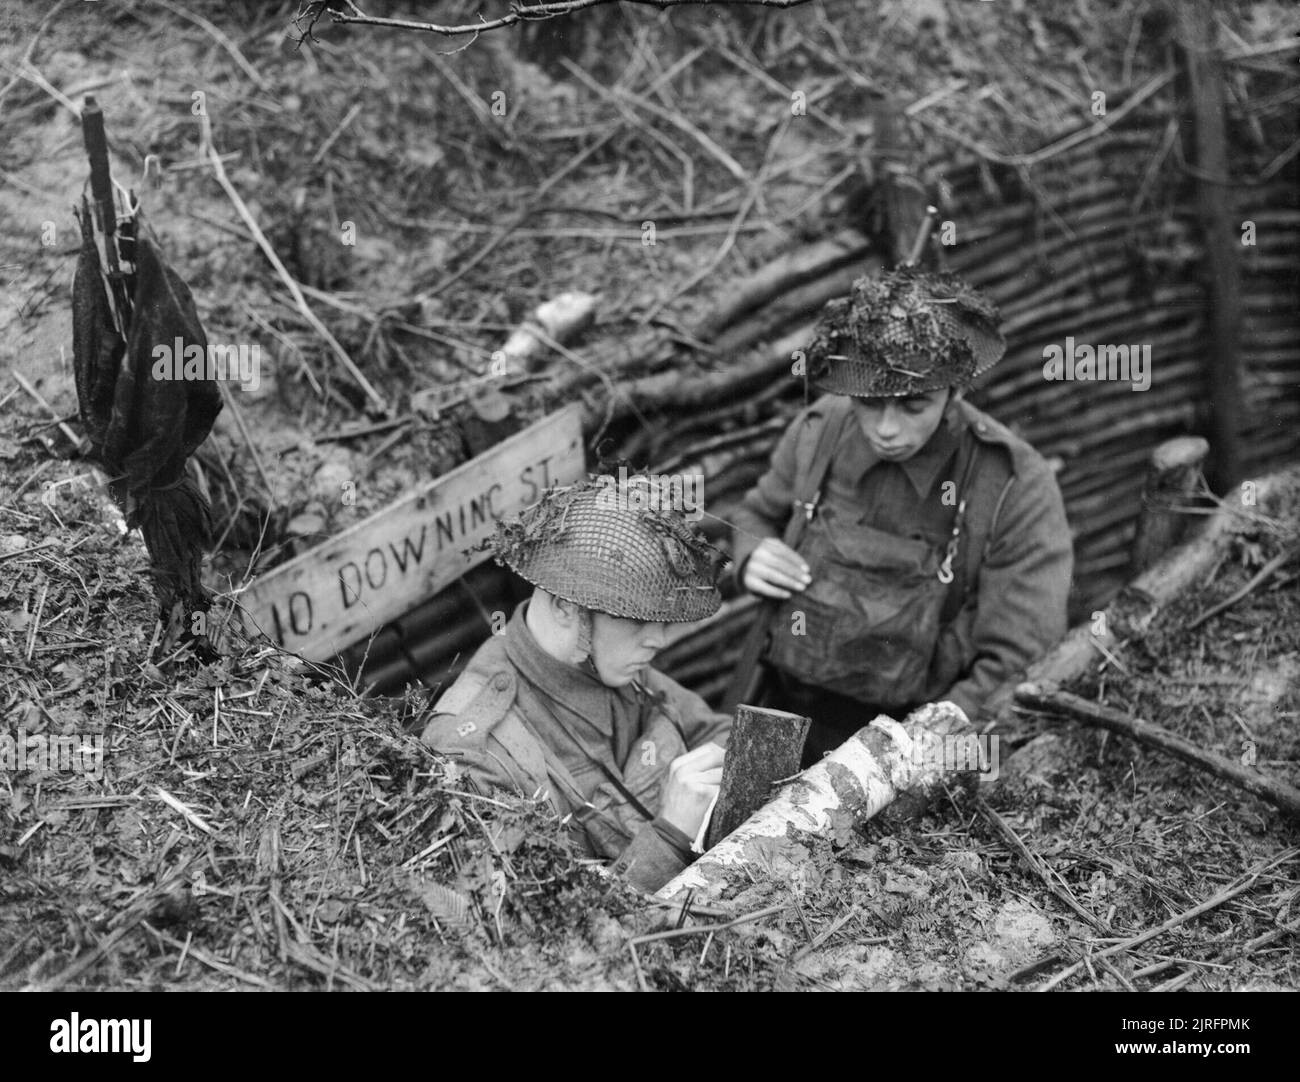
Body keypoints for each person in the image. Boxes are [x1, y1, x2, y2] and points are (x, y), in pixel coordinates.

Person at [731, 267, 1073, 765]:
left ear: (956, 392)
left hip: (913, 743)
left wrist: (916, 754)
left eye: (914, 406)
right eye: (870, 403)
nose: (887, 429)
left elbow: (1018, 658)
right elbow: (756, 515)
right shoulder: (820, 428)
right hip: (784, 715)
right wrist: (751, 555)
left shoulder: (1015, 484)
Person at [421, 474, 732, 892]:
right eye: (638, 619)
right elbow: (543, 924)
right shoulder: (474, 752)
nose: (657, 640)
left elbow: (720, 734)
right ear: (568, 607)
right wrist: (669, 836)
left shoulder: (609, 665)